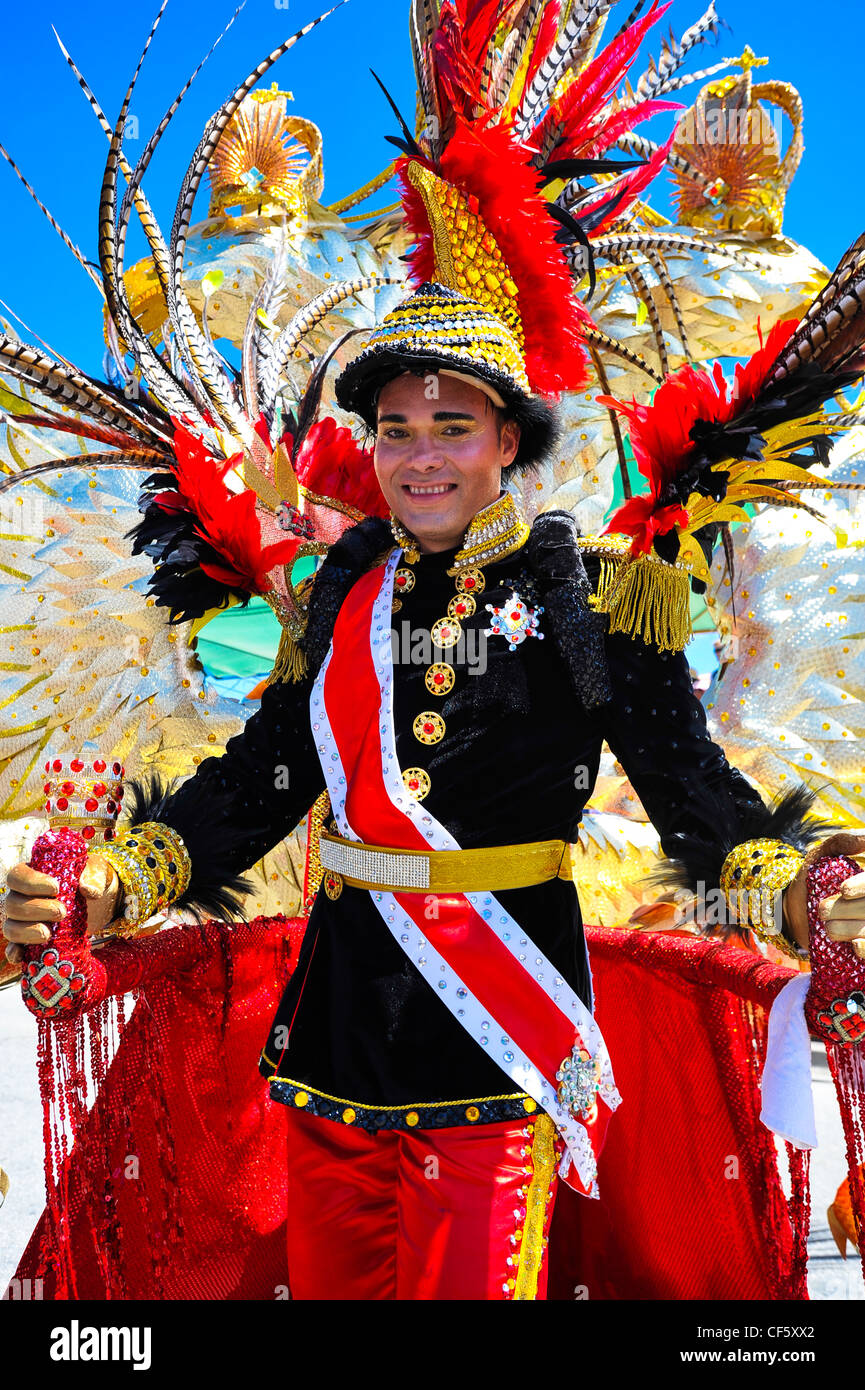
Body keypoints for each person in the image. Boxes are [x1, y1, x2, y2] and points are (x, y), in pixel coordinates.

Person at [6, 278, 865, 1301]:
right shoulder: (341, 594)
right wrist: (111, 882)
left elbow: (692, 794)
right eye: (396, 431)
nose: (420, 456)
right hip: (336, 1038)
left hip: (500, 1039)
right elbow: (260, 779)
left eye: (451, 428)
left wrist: (800, 894)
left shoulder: (592, 594)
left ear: (507, 440)